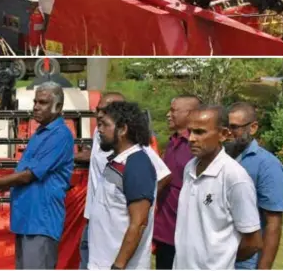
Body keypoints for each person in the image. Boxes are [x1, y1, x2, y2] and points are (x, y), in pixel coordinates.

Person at [0, 82, 74, 270]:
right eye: (35, 101)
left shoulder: (60, 135)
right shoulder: (39, 133)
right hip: (26, 221)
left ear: (58, 107)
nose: (36, 106)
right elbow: (20, 175)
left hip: (41, 223)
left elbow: (27, 177)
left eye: (43, 102)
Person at [78, 92, 171, 270]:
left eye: (105, 125)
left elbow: (139, 223)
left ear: (123, 129)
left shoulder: (137, 165)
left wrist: (118, 265)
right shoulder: (117, 161)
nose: (100, 130)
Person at [174, 105, 262, 270]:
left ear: (223, 134)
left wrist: (221, 261)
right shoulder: (190, 167)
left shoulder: (235, 177)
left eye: (200, 132)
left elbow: (253, 242)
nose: (191, 138)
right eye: (190, 131)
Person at [226, 102, 283, 270]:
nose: (228, 133)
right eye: (225, 127)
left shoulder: (267, 166)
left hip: (245, 263)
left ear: (253, 128)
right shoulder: (220, 158)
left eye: (234, 127)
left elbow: (273, 224)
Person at [153, 94, 200, 270]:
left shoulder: (195, 147)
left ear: (192, 113)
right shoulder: (173, 141)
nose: (168, 114)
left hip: (186, 234)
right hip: (165, 231)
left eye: (173, 111)